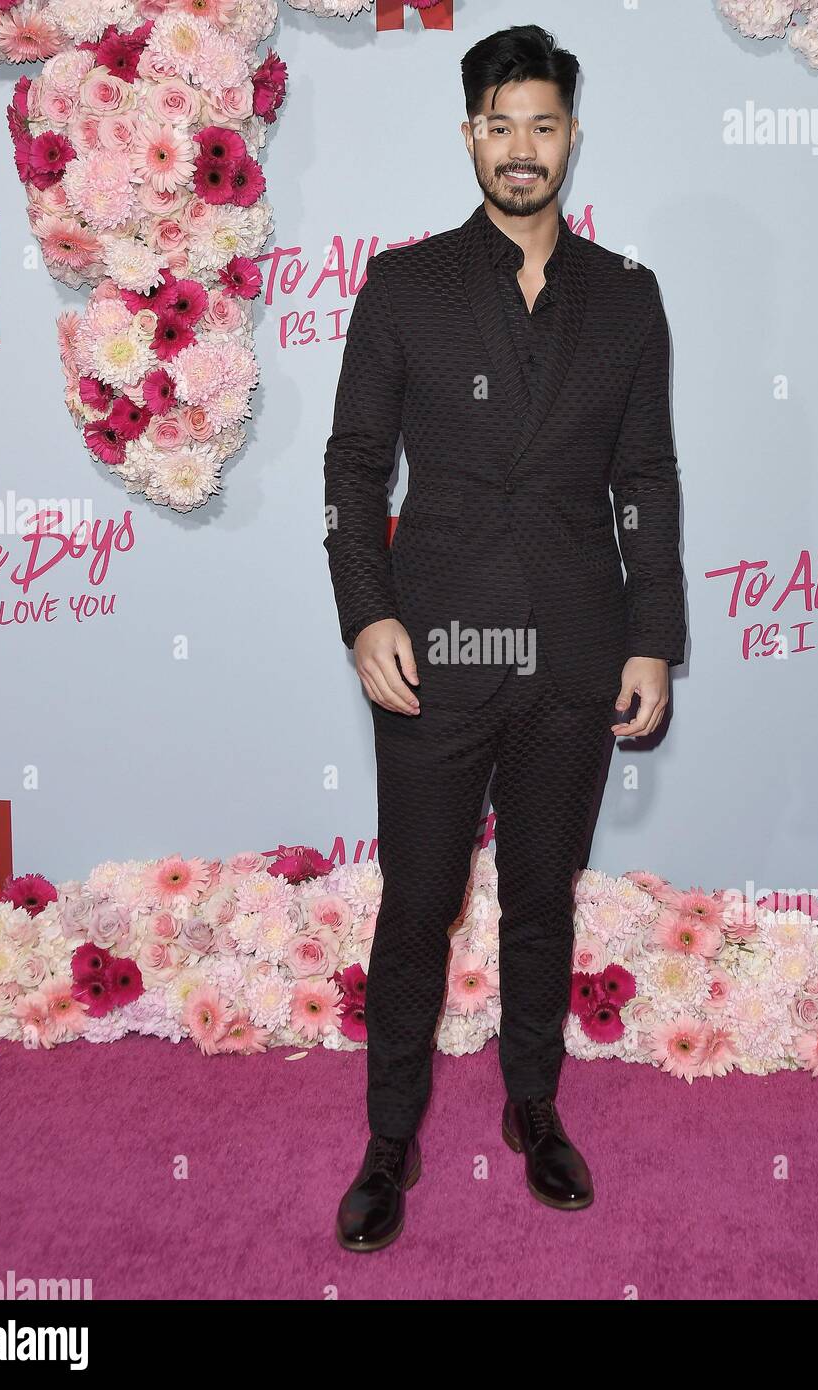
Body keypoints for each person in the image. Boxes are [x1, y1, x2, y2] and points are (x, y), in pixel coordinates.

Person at [322, 23, 686, 1252]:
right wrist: (365, 610)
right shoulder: (403, 285)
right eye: (499, 125)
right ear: (467, 135)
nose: (520, 149)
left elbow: (644, 473)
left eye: (542, 124)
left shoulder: (627, 297)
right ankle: (389, 1134)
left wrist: (653, 634)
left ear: (570, 138)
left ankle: (533, 1106)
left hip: (577, 650)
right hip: (433, 651)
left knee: (540, 897)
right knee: (415, 901)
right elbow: (355, 462)